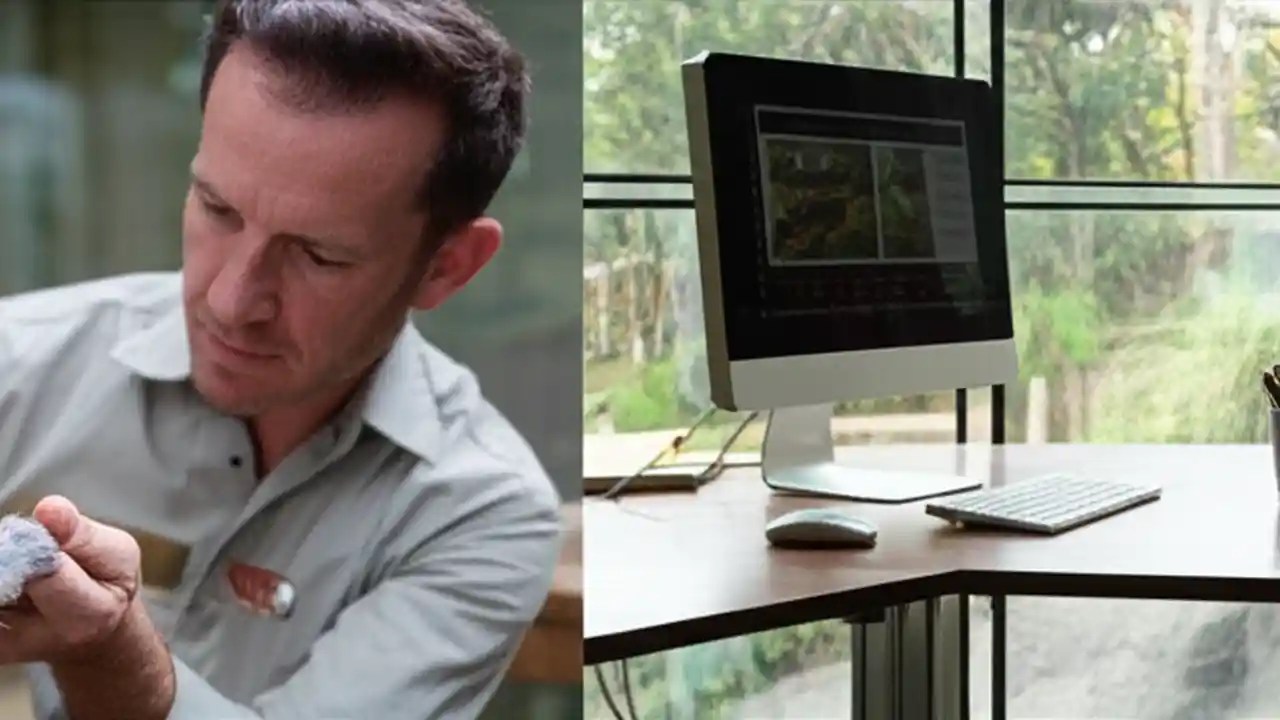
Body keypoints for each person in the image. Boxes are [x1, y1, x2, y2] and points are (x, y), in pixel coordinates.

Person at [0, 0, 563, 718]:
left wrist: (113, 652)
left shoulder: (481, 513)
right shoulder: (19, 363)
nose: (233, 301)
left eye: (318, 255)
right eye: (217, 208)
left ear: (447, 267)